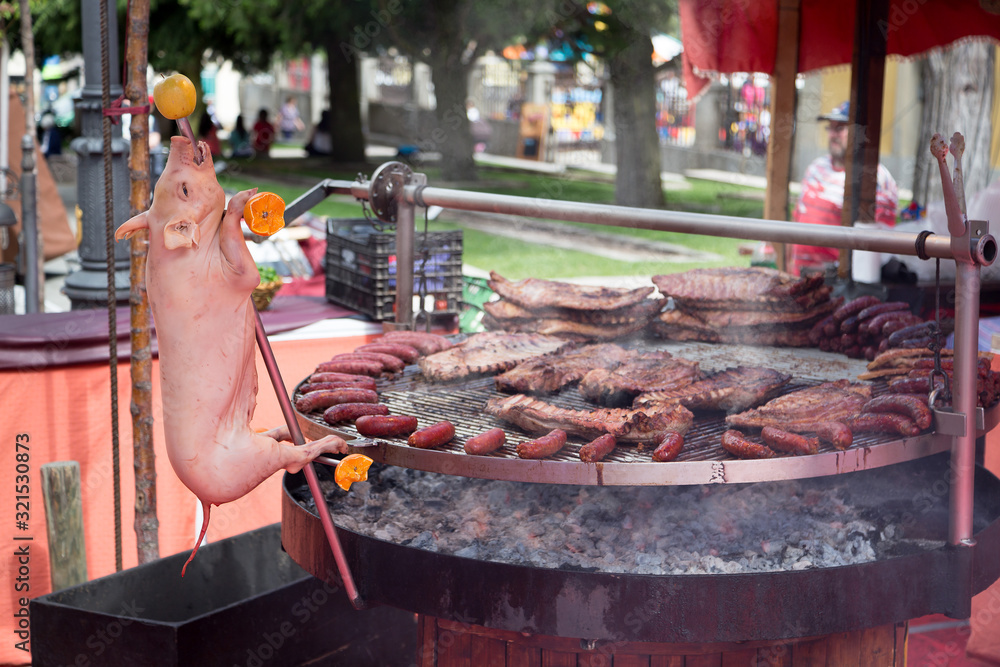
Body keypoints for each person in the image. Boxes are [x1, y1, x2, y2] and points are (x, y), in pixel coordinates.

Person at [789, 101, 899, 276]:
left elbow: (877, 246)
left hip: (836, 286)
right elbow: (797, 219)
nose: (833, 134)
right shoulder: (816, 167)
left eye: (840, 128)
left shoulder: (876, 178)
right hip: (798, 277)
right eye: (830, 128)